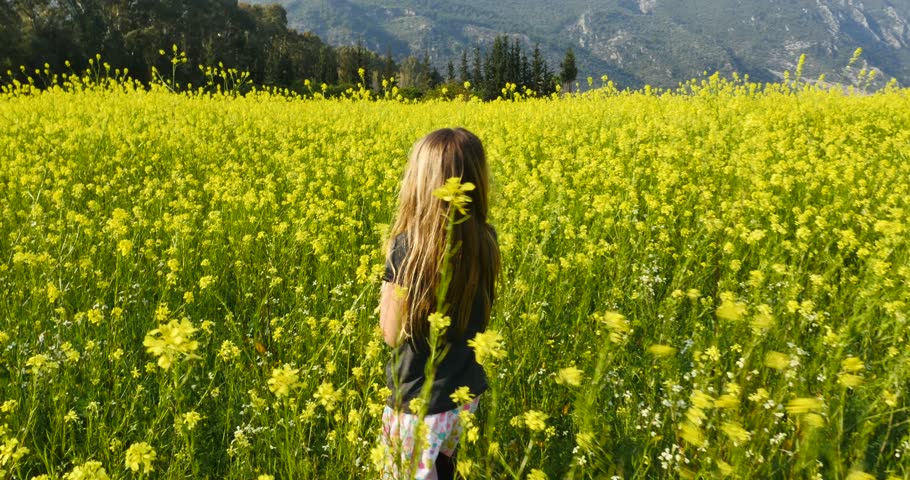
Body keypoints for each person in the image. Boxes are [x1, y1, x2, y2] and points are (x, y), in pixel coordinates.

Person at [378, 127, 501, 480]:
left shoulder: (408, 249)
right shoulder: (485, 241)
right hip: (464, 396)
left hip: (418, 405)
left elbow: (390, 333)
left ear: (420, 182)